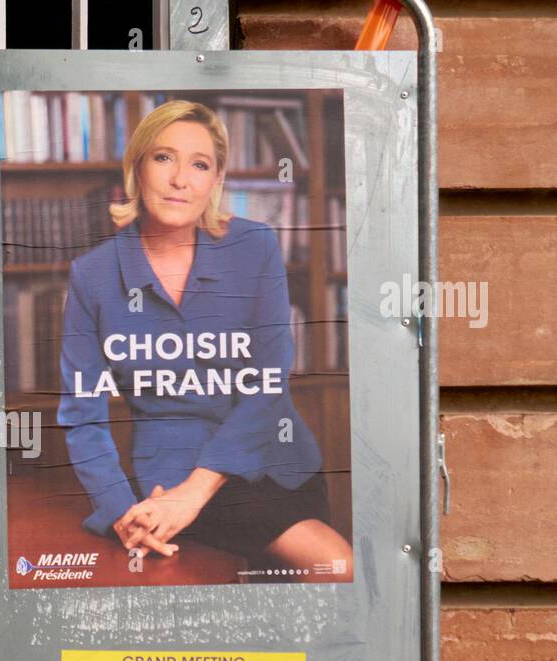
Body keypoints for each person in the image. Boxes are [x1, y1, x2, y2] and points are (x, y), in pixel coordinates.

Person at [57, 99, 353, 582]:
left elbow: (268, 383)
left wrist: (194, 493)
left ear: (216, 181)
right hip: (164, 480)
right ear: (136, 169)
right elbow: (82, 415)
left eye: (200, 165)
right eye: (163, 158)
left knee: (336, 569)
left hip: (268, 465)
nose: (180, 179)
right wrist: (122, 514)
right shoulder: (92, 276)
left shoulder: (254, 245)